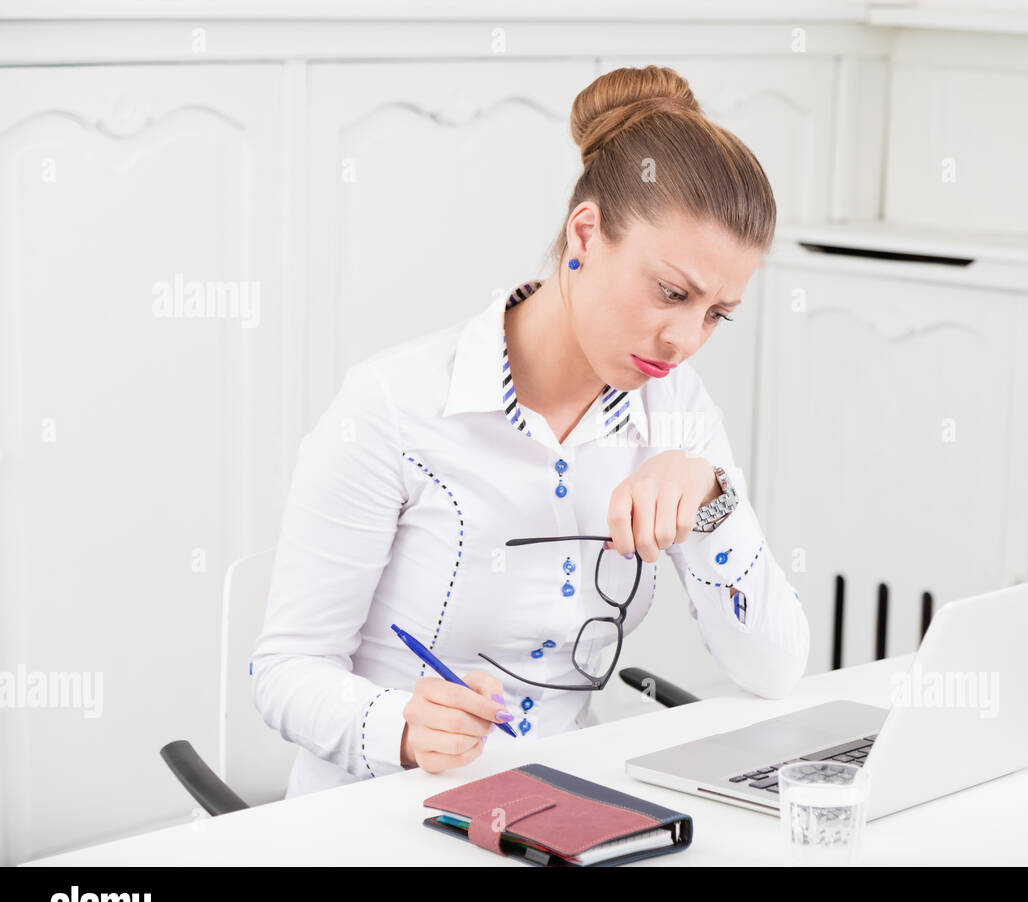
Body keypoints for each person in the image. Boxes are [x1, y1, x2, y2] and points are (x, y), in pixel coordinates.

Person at [251, 64, 811, 798]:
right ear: (586, 234)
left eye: (716, 313)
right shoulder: (392, 405)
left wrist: (714, 502)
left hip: (560, 806)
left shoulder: (677, 410)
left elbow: (773, 667)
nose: (686, 339)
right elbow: (286, 669)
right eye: (672, 292)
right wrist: (400, 728)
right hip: (379, 812)